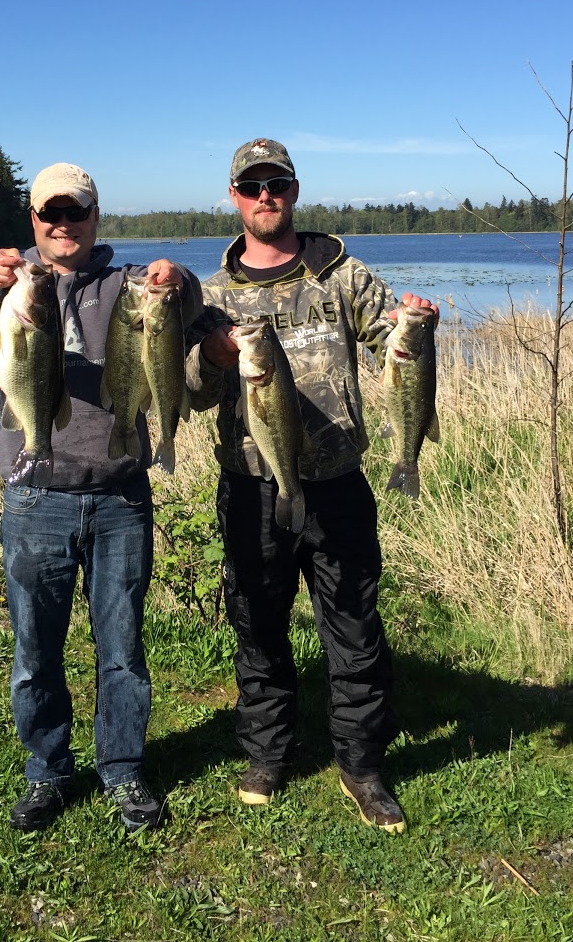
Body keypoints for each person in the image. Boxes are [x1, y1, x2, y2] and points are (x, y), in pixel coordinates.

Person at [186, 139, 437, 833]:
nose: (265, 196)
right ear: (233, 197)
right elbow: (194, 392)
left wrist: (415, 321)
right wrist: (209, 353)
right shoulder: (211, 297)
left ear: (293, 191)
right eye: (251, 186)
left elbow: (392, 335)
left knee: (353, 628)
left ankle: (361, 765)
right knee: (256, 623)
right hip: (251, 484)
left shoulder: (341, 274)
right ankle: (267, 753)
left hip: (336, 484)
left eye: (277, 184)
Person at [0, 162, 202, 833]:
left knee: (121, 646)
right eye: (49, 213)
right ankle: (47, 770)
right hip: (35, 497)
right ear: (33, 220)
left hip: (121, 497)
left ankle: (122, 769)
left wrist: (179, 283)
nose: (62, 223)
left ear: (96, 217)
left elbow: (191, 313)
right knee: (35, 649)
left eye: (75, 211)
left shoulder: (125, 288)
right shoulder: (14, 288)